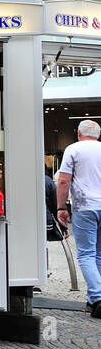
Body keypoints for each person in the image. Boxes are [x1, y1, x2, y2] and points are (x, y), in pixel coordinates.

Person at [56, 119, 101, 318]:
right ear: (98, 135)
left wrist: (61, 206)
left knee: (86, 254)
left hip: (85, 206)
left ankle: (98, 297)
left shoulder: (73, 149)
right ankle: (94, 300)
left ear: (79, 134)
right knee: (99, 255)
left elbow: (64, 180)